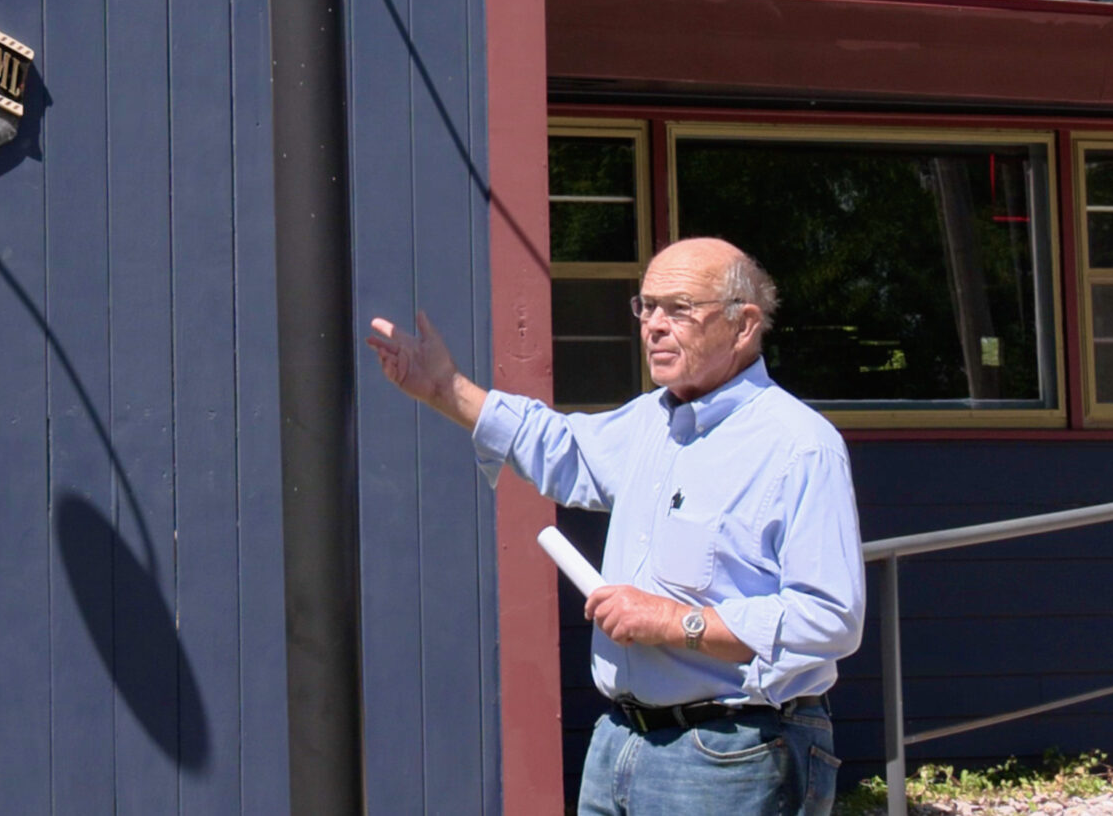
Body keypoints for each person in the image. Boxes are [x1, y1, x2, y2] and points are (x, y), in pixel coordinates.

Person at [367, 237, 864, 816]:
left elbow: (831, 618)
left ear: (743, 324)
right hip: (620, 740)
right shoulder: (651, 420)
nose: (654, 325)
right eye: (646, 307)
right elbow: (559, 446)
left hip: (733, 751)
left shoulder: (799, 447)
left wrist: (674, 621)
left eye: (678, 308)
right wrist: (446, 389)